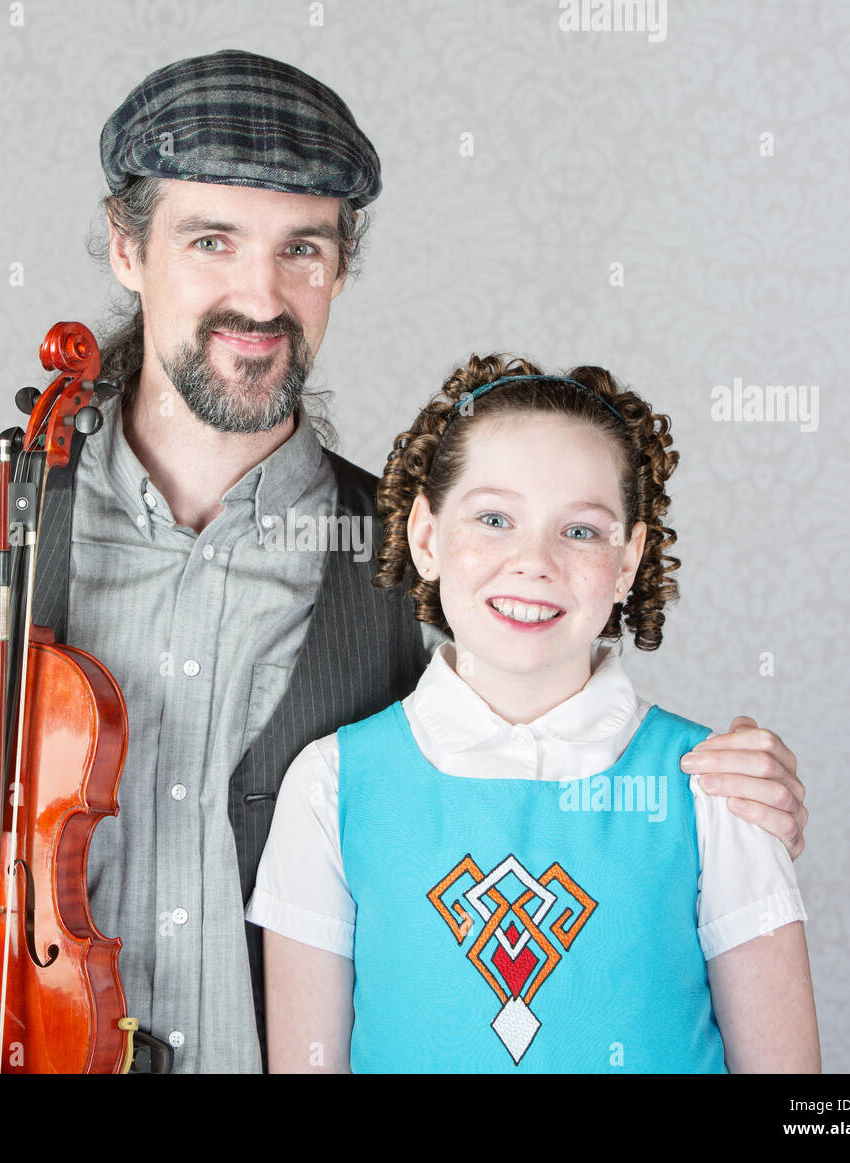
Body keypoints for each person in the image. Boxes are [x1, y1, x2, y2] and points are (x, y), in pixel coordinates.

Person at [0, 50, 809, 1075]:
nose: (260, 295)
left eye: (301, 247)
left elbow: (551, 772)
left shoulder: (419, 558)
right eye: (211, 241)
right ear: (124, 246)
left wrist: (715, 791)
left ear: (340, 268)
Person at [251, 354, 821, 1073]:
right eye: (494, 518)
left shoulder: (717, 792)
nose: (535, 561)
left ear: (628, 560)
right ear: (426, 537)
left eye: (580, 530)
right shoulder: (331, 787)